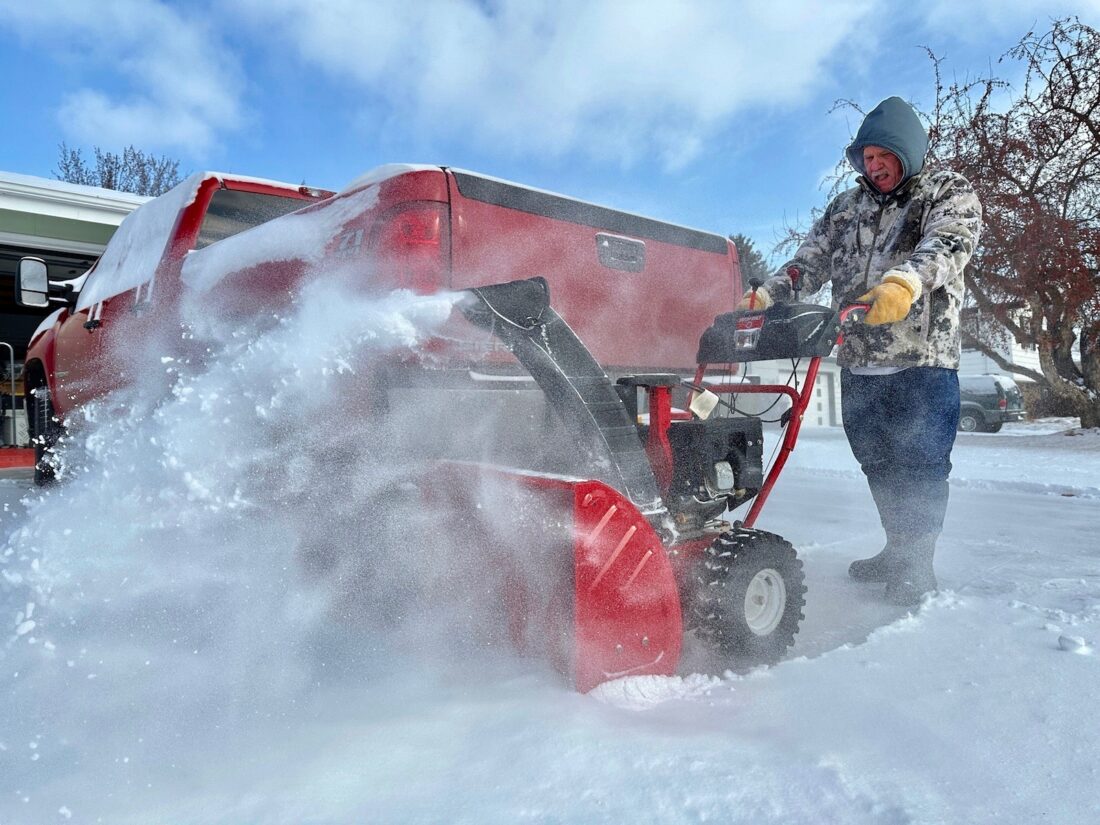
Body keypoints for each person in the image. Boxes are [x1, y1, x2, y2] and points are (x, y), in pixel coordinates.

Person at [741, 96, 982, 605]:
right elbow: (810, 260)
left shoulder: (946, 191)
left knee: (919, 464)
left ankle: (917, 562)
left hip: (921, 360)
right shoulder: (847, 207)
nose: (874, 168)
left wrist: (905, 283)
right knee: (877, 461)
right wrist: (771, 291)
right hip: (857, 360)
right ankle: (897, 548)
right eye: (866, 159)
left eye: (883, 157)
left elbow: (949, 243)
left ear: (906, 151)